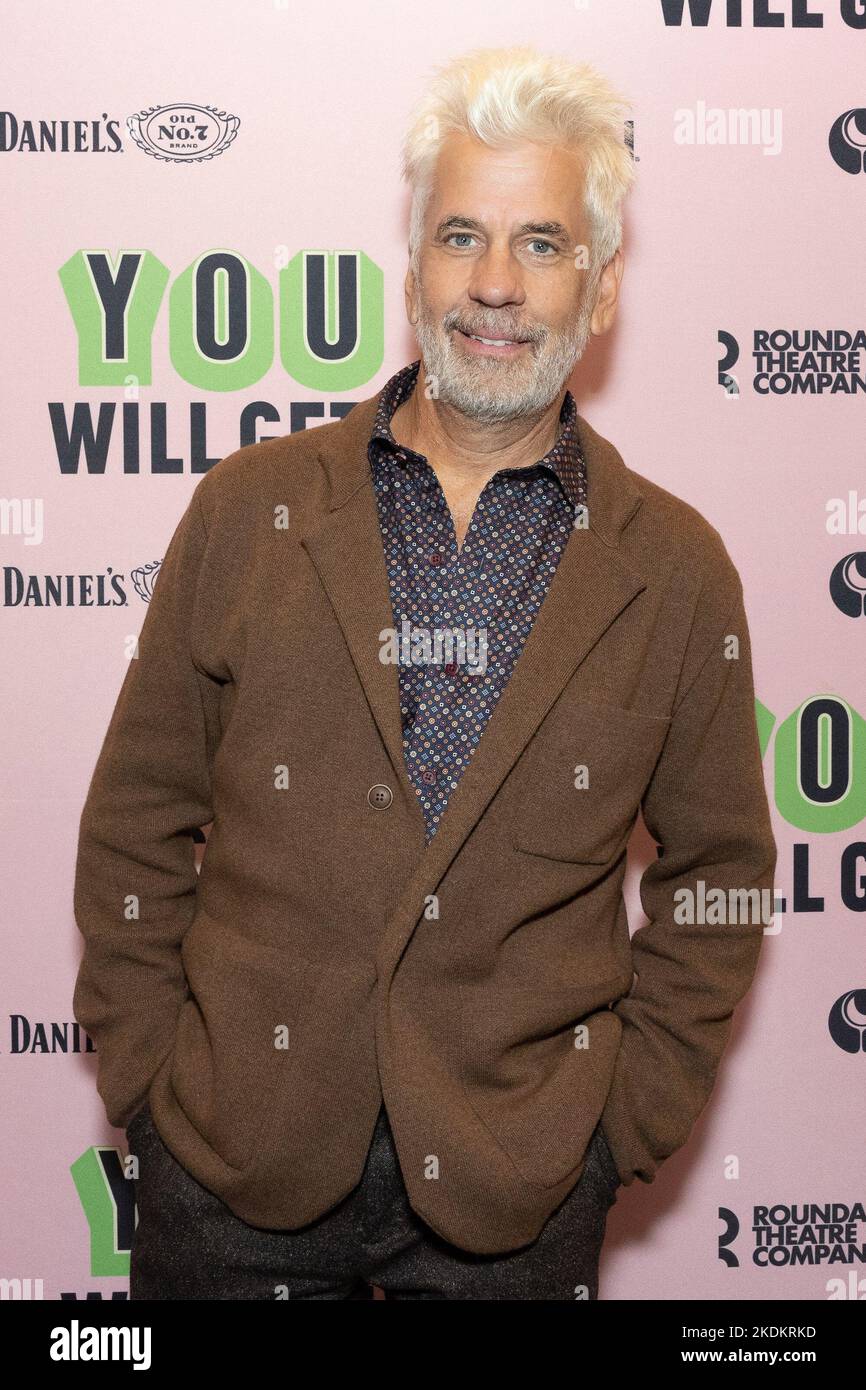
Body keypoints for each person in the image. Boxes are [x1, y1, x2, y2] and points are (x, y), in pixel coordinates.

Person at [73, 45, 777, 1300]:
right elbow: (135, 821)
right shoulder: (250, 511)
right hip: (231, 1179)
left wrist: (616, 1129)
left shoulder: (672, 569)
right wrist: (148, 1083)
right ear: (412, 267)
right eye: (462, 236)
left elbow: (720, 876)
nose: (495, 285)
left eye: (542, 244)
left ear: (600, 289)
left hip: (519, 1198)